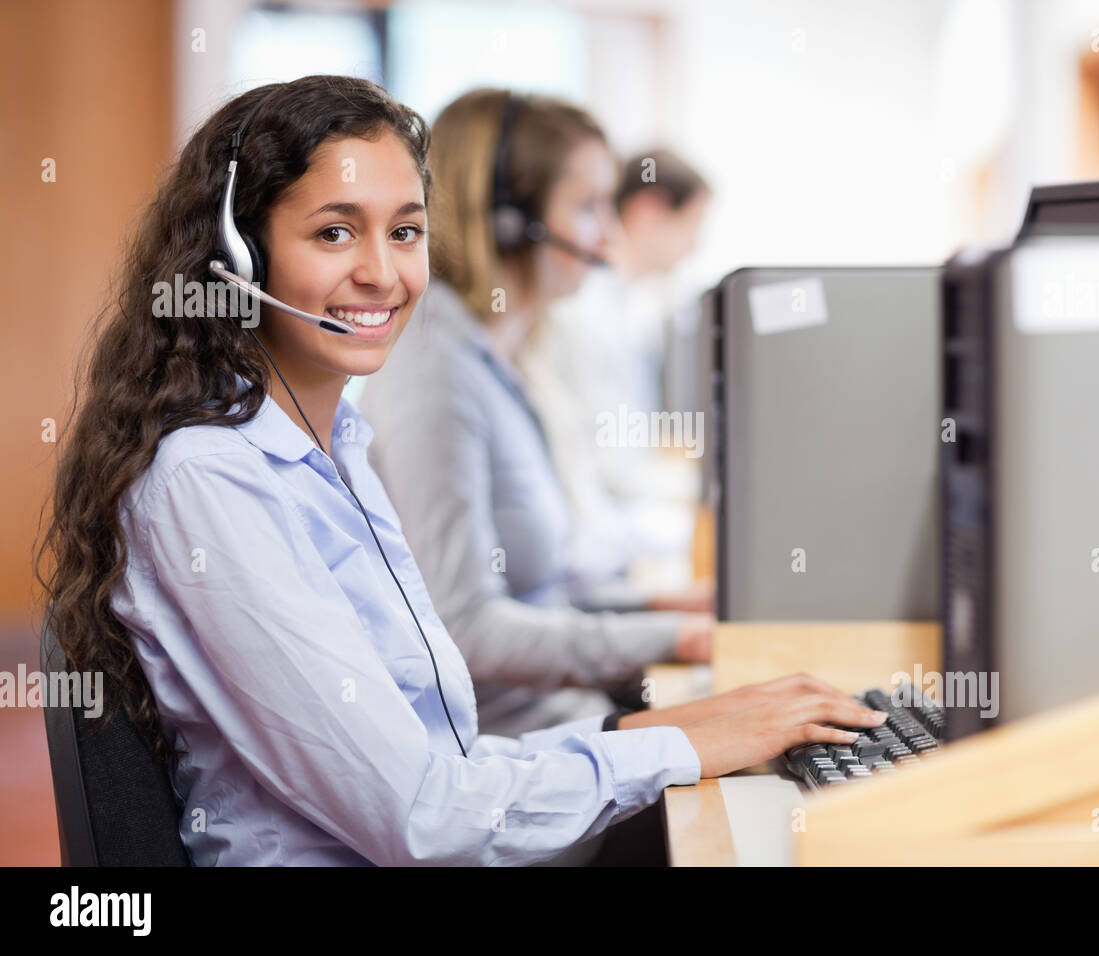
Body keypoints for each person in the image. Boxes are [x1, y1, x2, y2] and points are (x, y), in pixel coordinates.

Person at [35, 75, 886, 866]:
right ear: (240, 259)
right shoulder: (210, 484)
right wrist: (674, 741)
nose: (382, 271)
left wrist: (687, 725)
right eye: (335, 232)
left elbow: (444, 763)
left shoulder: (330, 450)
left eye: (405, 231)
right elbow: (421, 814)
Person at [361, 90, 711, 739]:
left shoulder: (497, 355)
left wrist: (662, 608)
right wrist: (678, 636)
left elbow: (537, 596)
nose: (609, 236)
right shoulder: (435, 368)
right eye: (587, 207)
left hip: (562, 728)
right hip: (514, 760)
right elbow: (468, 628)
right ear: (509, 221)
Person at [519, 148, 713, 582]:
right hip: (591, 530)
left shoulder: (624, 307)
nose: (695, 247)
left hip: (607, 518)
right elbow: (611, 466)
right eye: (693, 226)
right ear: (648, 212)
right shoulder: (586, 309)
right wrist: (702, 486)